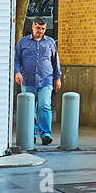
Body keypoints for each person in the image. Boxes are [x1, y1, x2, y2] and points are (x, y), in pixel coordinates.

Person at [14, 17, 61, 145]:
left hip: (46, 80)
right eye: (38, 28)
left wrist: (58, 78)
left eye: (43, 29)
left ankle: (46, 134)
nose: (40, 31)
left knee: (45, 106)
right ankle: (31, 134)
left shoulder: (50, 42)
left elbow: (55, 61)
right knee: (30, 109)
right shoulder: (23, 42)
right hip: (27, 80)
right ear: (33, 27)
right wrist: (17, 72)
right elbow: (17, 59)